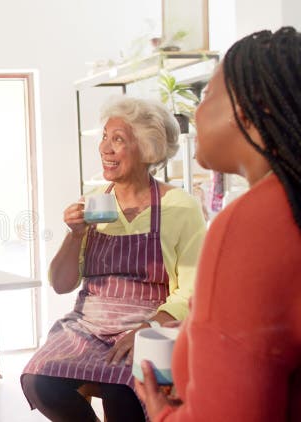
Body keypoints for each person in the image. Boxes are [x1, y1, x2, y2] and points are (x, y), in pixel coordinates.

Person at [134, 27, 301, 421]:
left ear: (249, 105)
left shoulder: (251, 225)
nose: (195, 111)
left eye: (206, 95)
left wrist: (163, 415)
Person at [21, 96, 207, 421]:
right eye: (104, 137)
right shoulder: (93, 204)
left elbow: (193, 291)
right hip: (88, 327)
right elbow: (62, 284)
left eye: (118, 140)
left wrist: (148, 327)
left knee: (121, 392)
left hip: (148, 327)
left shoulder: (180, 206)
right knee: (40, 380)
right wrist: (75, 234)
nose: (105, 148)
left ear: (147, 149)